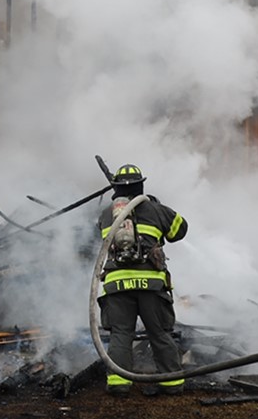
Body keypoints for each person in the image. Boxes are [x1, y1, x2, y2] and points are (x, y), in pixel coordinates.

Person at [96, 163, 189, 396]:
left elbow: (100, 241)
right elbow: (180, 230)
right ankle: (172, 384)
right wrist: (156, 207)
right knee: (160, 333)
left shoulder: (106, 215)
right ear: (141, 185)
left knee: (120, 334)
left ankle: (118, 383)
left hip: (117, 286)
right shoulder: (156, 210)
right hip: (151, 285)